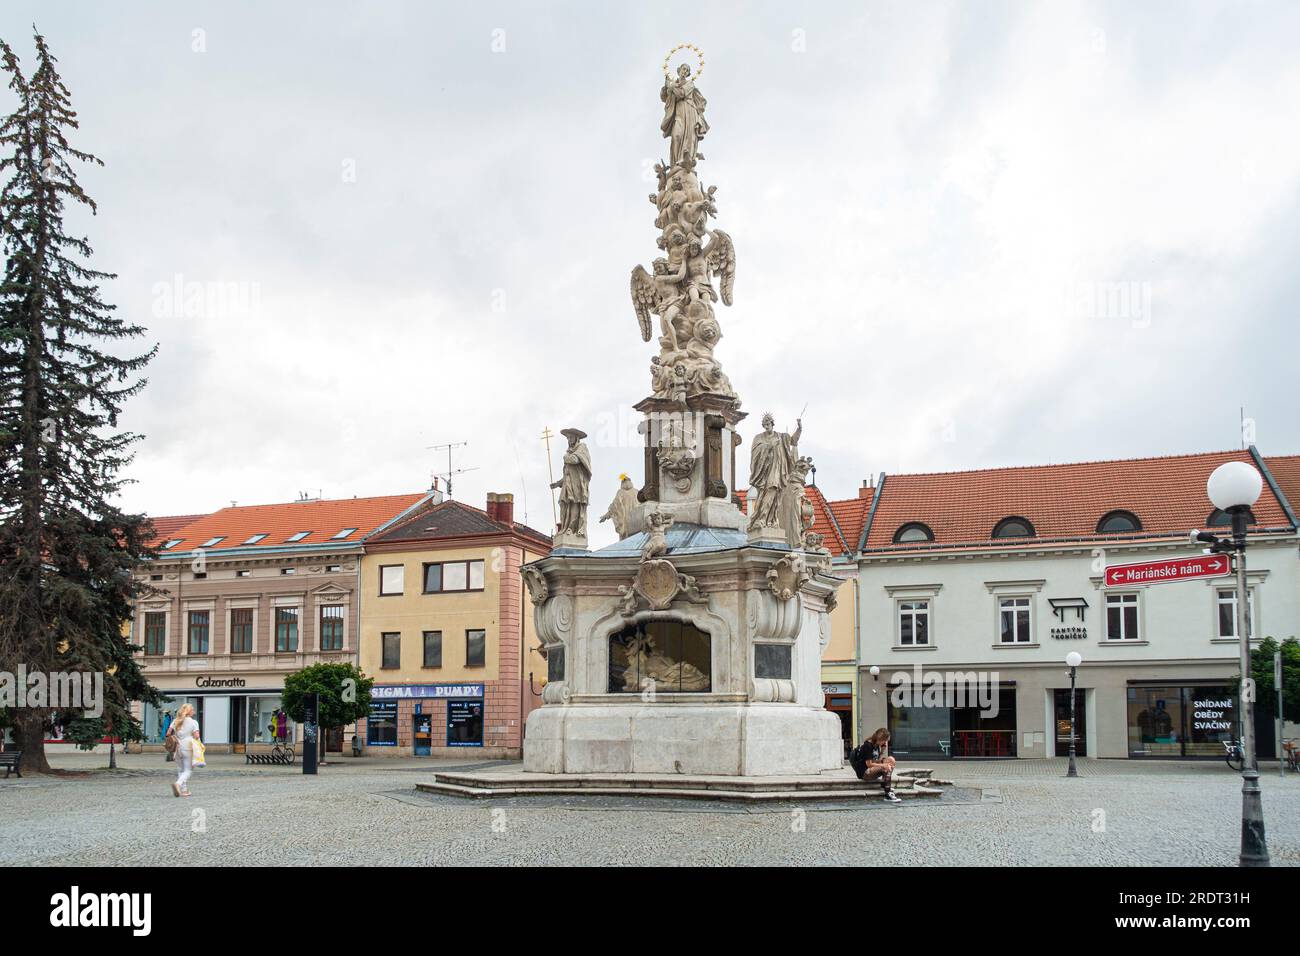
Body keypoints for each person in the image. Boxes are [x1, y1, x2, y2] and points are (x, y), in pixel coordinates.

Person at [850, 727, 901, 804]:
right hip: (864, 772)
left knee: (891, 760)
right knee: (886, 767)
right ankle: (888, 794)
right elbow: (869, 764)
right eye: (885, 740)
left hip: (871, 769)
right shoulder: (868, 745)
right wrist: (883, 765)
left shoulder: (876, 745)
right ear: (881, 739)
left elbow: (876, 760)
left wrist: (882, 750)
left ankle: (885, 783)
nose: (886, 742)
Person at [167, 703, 201, 798]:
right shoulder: (194, 722)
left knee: (180, 769)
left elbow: (168, 733)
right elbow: (196, 736)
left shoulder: (175, 721)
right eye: (192, 709)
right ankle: (178, 783)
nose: (194, 711)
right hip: (188, 746)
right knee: (188, 769)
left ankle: (184, 790)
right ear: (189, 711)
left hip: (177, 746)